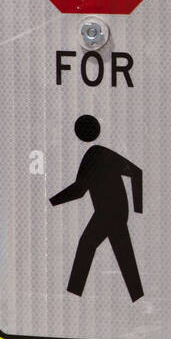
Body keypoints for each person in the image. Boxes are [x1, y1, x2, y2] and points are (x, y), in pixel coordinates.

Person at [50, 114, 144, 301]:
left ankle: (73, 295)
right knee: (122, 253)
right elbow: (136, 172)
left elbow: (79, 190)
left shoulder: (94, 155)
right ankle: (137, 296)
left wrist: (52, 202)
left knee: (87, 244)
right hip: (112, 212)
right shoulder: (97, 153)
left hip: (108, 213)